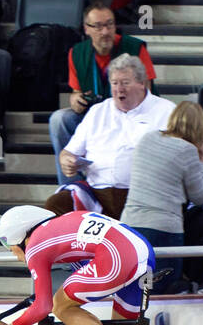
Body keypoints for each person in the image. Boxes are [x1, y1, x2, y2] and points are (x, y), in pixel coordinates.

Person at [0, 204, 154, 325]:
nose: (11, 252)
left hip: (118, 256)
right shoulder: (62, 225)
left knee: (60, 307)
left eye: (6, 243)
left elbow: (43, 307)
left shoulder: (35, 246)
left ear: (19, 235)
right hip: (143, 254)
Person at [49, 0, 158, 184]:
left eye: (109, 25)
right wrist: (75, 97)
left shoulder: (134, 47)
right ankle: (71, 187)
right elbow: (76, 90)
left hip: (130, 115)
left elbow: (145, 92)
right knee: (59, 119)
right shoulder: (77, 52)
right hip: (95, 116)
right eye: (98, 27)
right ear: (86, 29)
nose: (105, 32)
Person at [59, 52, 175, 216]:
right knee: (56, 204)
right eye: (114, 83)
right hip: (96, 194)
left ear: (142, 83)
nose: (119, 89)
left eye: (125, 83)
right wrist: (67, 161)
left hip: (144, 195)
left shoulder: (166, 111)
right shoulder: (98, 111)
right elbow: (69, 152)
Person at [121, 100, 203, 290]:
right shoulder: (187, 150)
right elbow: (200, 197)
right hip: (163, 230)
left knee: (131, 293)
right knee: (162, 294)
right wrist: (202, 160)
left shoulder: (148, 137)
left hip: (130, 226)